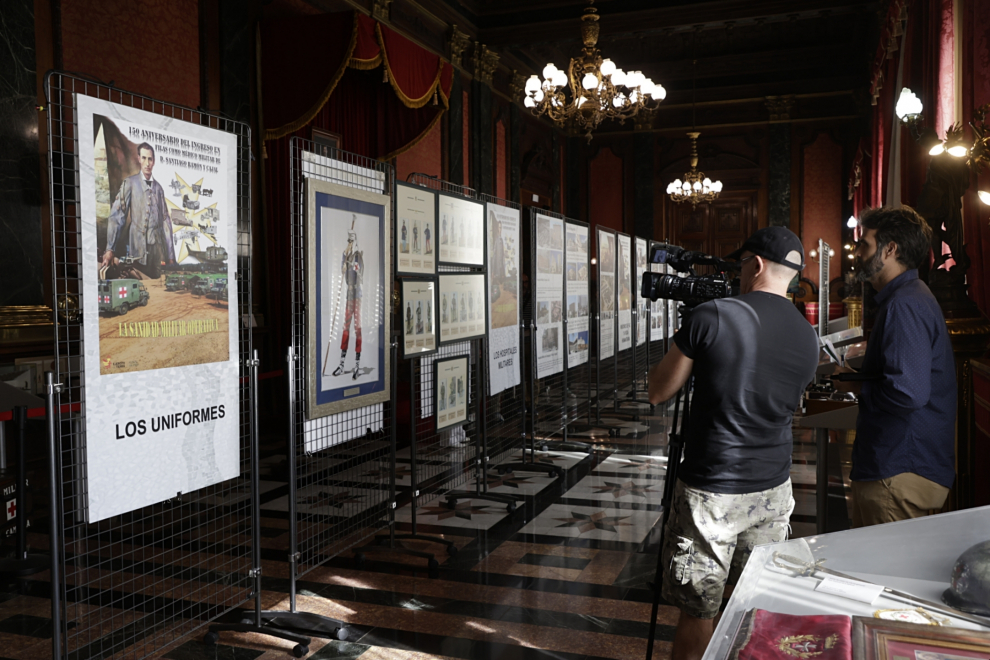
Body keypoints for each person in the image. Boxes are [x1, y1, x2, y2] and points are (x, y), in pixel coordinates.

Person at [647, 226, 819, 660]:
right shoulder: (807, 335)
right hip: (775, 488)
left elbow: (659, 390)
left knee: (697, 609)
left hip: (712, 492)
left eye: (742, 264)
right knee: (752, 605)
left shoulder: (711, 316)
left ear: (755, 265)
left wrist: (688, 334)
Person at [833, 206, 955, 526]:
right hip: (899, 467)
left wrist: (855, 385)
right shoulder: (907, 297)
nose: (857, 252)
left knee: (885, 576)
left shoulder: (904, 304)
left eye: (865, 244)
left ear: (889, 249)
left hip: (898, 470)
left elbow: (907, 394)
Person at [102, 142, 176, 279]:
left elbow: (166, 222)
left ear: (153, 161)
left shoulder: (159, 189)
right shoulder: (130, 183)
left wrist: (170, 256)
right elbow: (117, 216)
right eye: (144, 158)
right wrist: (110, 249)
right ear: (138, 159)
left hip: (157, 256)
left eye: (150, 159)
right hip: (137, 252)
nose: (147, 163)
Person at [331, 222, 364, 380]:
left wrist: (348, 265)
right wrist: (344, 265)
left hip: (357, 297)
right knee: (346, 328)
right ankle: (342, 364)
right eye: (348, 242)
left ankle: (357, 365)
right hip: (348, 298)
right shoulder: (347, 256)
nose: (349, 244)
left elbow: (357, 274)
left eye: (351, 241)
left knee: (357, 329)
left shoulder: (357, 257)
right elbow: (342, 269)